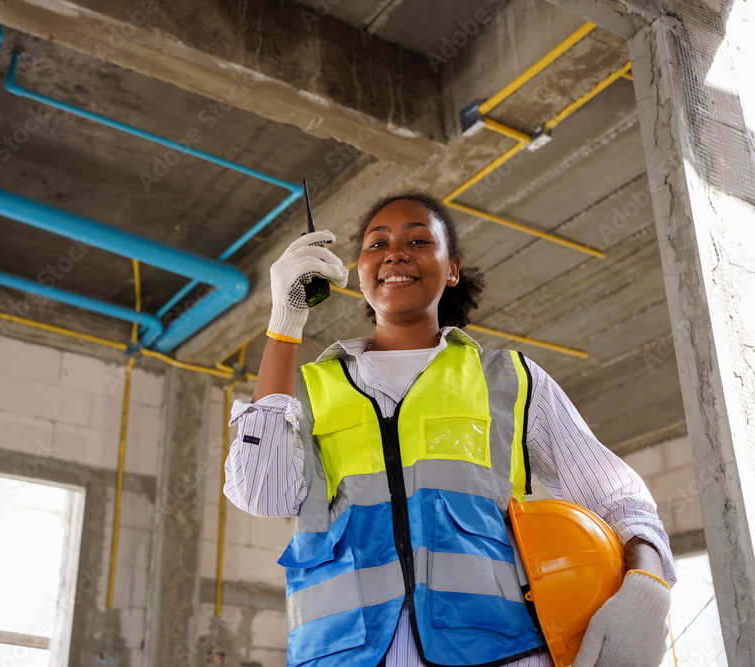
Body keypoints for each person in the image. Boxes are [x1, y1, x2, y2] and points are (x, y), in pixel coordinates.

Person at [224, 191, 675, 667]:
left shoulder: (508, 378)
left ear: (453, 268)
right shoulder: (307, 389)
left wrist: (647, 585)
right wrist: (284, 324)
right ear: (358, 272)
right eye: (376, 244)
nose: (395, 252)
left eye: (418, 240)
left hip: (497, 652)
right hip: (343, 655)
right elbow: (262, 493)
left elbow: (618, 496)